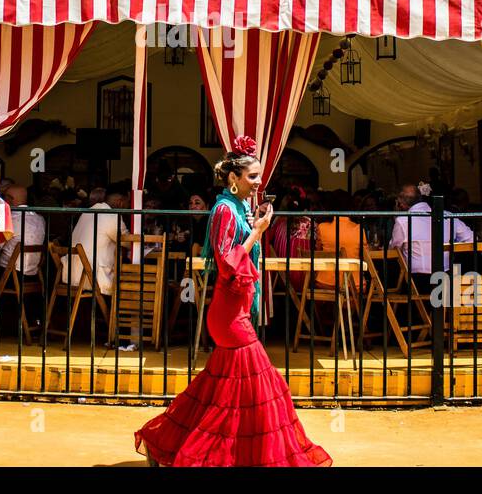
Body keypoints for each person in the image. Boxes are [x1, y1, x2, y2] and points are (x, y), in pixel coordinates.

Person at [133, 135, 332, 467]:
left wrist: (254, 225)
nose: (258, 183)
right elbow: (227, 263)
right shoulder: (224, 209)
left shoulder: (238, 206)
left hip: (236, 309)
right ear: (232, 178)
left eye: (258, 176)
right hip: (229, 316)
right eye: (252, 177)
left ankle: (163, 442)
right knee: (264, 389)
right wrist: (258, 231)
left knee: (217, 391)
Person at [64, 181, 129, 296]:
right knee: (130, 277)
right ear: (121, 202)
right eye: (128, 203)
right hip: (91, 277)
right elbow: (127, 241)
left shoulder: (87, 212)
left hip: (71, 274)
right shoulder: (111, 216)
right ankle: (122, 311)